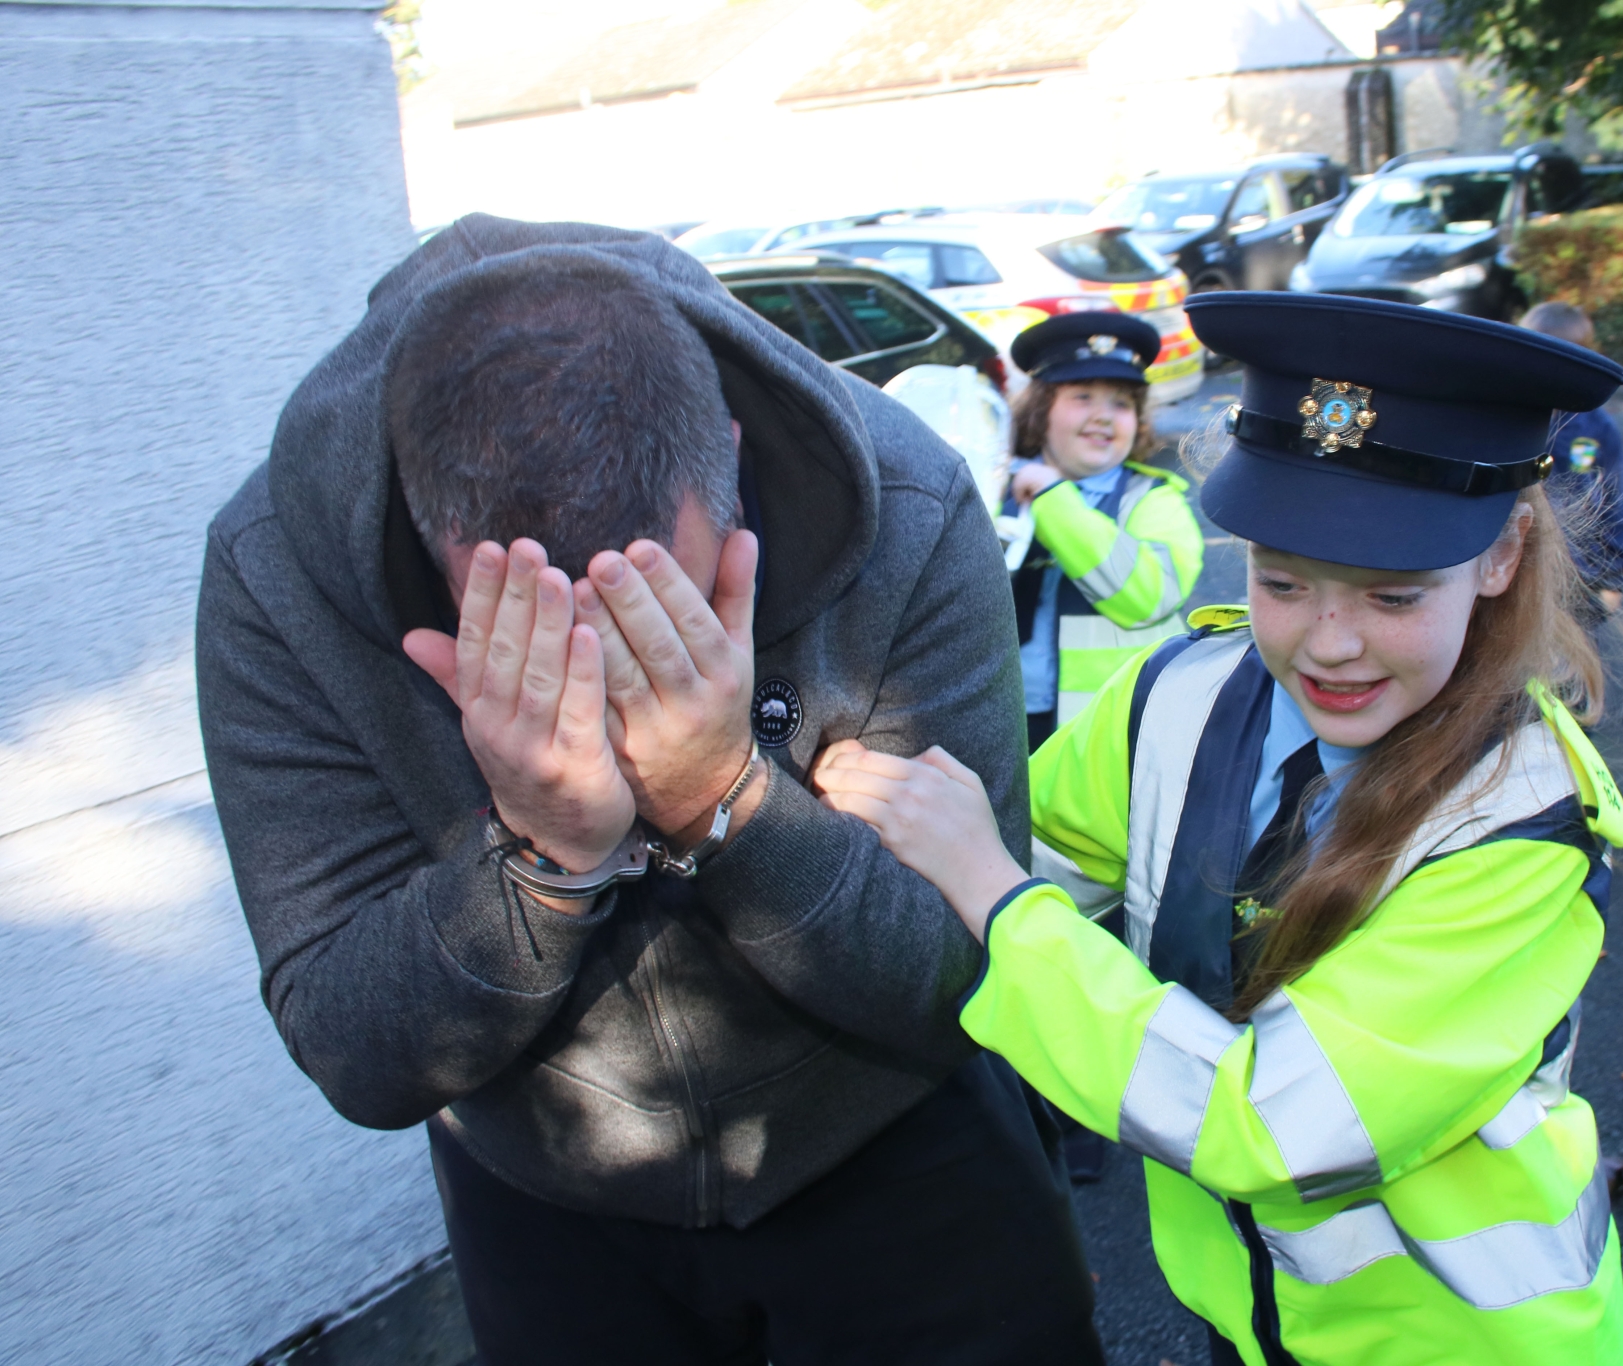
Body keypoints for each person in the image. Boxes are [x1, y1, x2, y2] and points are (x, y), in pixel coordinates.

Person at [196, 215, 1103, 1364]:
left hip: (891, 1128)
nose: (607, 683)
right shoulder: (279, 577)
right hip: (550, 1185)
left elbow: (958, 971)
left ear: (731, 461)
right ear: (425, 538)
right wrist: (543, 856)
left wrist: (725, 795)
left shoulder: (905, 497)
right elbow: (356, 1050)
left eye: (661, 608)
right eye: (529, 632)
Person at [816, 292, 1623, 1365]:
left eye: (1393, 597)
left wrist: (1000, 901)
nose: (1328, 644)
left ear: (1502, 553)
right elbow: (981, 856)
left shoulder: (1525, 825)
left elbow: (1274, 1127)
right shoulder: (1177, 695)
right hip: (1241, 1313)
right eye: (1281, 580)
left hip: (1460, 1337)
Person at [1006, 312, 1203, 752]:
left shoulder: (1155, 499)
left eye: (1121, 403)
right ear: (1040, 409)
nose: (1103, 416)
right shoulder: (994, 485)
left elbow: (1148, 599)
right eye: (1082, 397)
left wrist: (1053, 498)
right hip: (998, 715)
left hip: (1104, 734)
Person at [1519, 301, 1623, 616]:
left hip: (1579, 576)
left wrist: (1613, 577)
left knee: (1576, 643)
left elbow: (1618, 498)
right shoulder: (1509, 419)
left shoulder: (1594, 427)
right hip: (1516, 570)